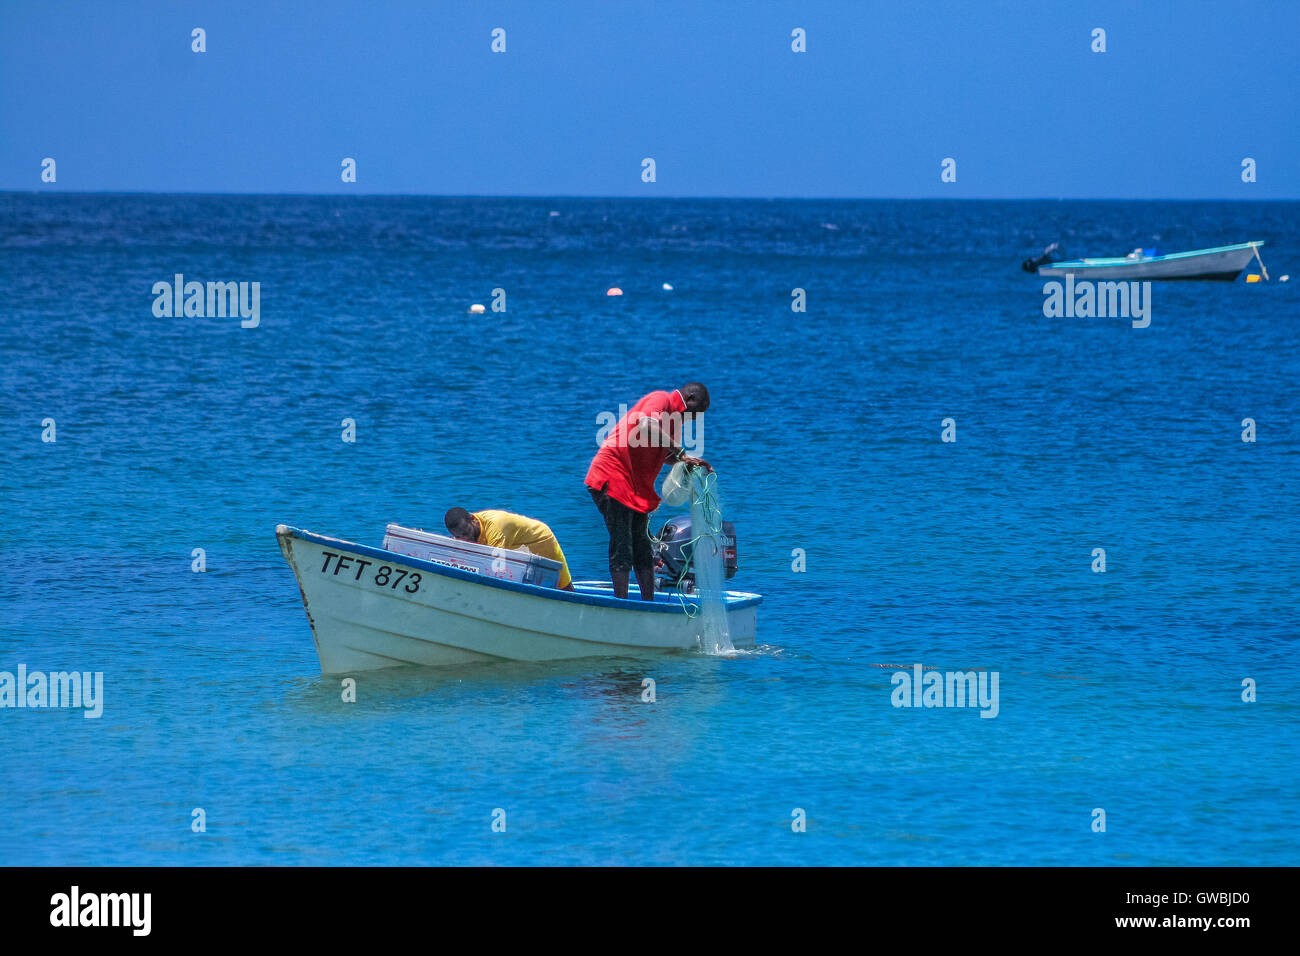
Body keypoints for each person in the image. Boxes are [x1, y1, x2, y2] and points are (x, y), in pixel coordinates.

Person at [585, 383, 711, 600]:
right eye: (697, 411)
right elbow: (646, 426)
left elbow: (665, 454)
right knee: (622, 542)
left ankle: (648, 603)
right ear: (689, 398)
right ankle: (621, 604)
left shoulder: (674, 422)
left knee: (642, 547)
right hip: (613, 474)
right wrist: (680, 452)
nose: (695, 417)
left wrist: (687, 462)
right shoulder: (661, 399)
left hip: (634, 487)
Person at [444, 508, 574, 591]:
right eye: (459, 536)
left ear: (473, 520)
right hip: (517, 546)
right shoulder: (464, 530)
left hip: (540, 539)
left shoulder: (495, 528)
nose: (466, 538)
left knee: (563, 588)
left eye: (467, 533)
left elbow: (496, 569)